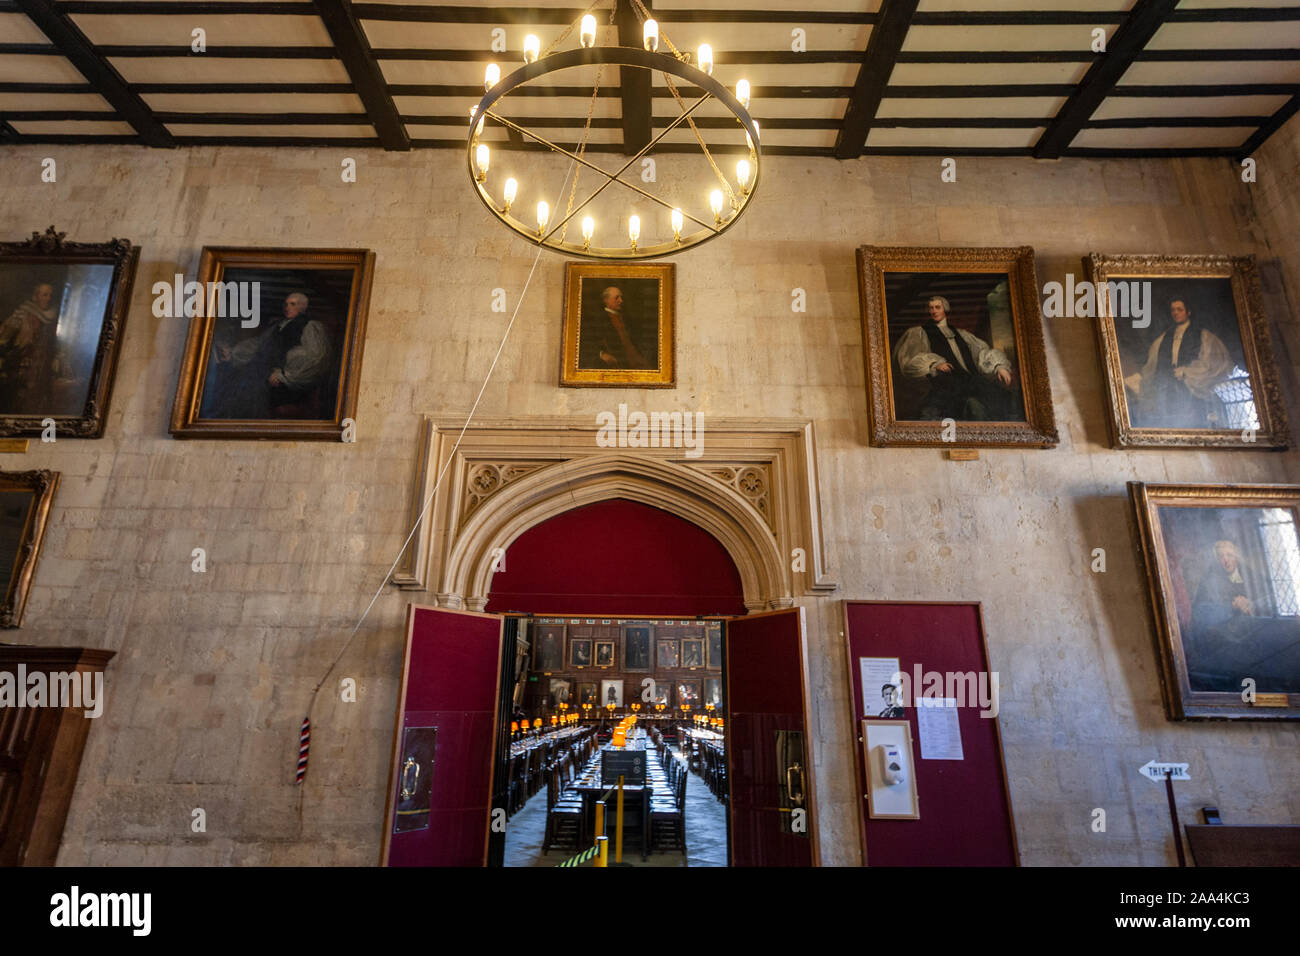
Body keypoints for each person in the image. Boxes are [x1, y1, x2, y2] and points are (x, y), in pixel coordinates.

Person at [204, 292, 332, 419]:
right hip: (262, 372)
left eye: (293, 304)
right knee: (233, 380)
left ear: (303, 307)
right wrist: (233, 352)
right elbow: (258, 344)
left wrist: (284, 375)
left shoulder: (311, 326)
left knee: (250, 390)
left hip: (286, 384)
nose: (287, 308)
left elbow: (315, 357)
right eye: (286, 304)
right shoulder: (277, 325)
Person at [894, 295, 1016, 420]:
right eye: (931, 308)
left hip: (971, 380)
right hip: (947, 383)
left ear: (945, 309)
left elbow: (981, 352)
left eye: (937, 307)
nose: (934, 311)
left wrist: (998, 366)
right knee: (968, 406)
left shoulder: (962, 334)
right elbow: (909, 359)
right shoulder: (920, 332)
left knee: (1001, 397)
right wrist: (933, 364)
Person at [1124, 298, 1233, 429]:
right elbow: (1151, 366)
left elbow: (1213, 363)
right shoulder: (1163, 338)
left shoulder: (1203, 336)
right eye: (1173, 310)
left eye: (1179, 309)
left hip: (1190, 389)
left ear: (1188, 312)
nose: (1176, 313)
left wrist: (1187, 372)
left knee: (1193, 423)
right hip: (1167, 391)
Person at [0, 282, 61, 412]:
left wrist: (56, 357)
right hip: (23, 363)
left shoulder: (55, 316)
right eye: (44, 295)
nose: (48, 298)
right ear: (35, 296)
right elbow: (5, 337)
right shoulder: (23, 312)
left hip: (44, 364)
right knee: (19, 398)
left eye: (50, 295)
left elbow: (56, 341)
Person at [578, 285, 657, 370]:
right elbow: (586, 342)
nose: (621, 301)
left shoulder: (626, 317)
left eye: (621, 297)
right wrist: (601, 354)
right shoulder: (598, 319)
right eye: (617, 298)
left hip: (638, 359)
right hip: (621, 362)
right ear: (606, 300)